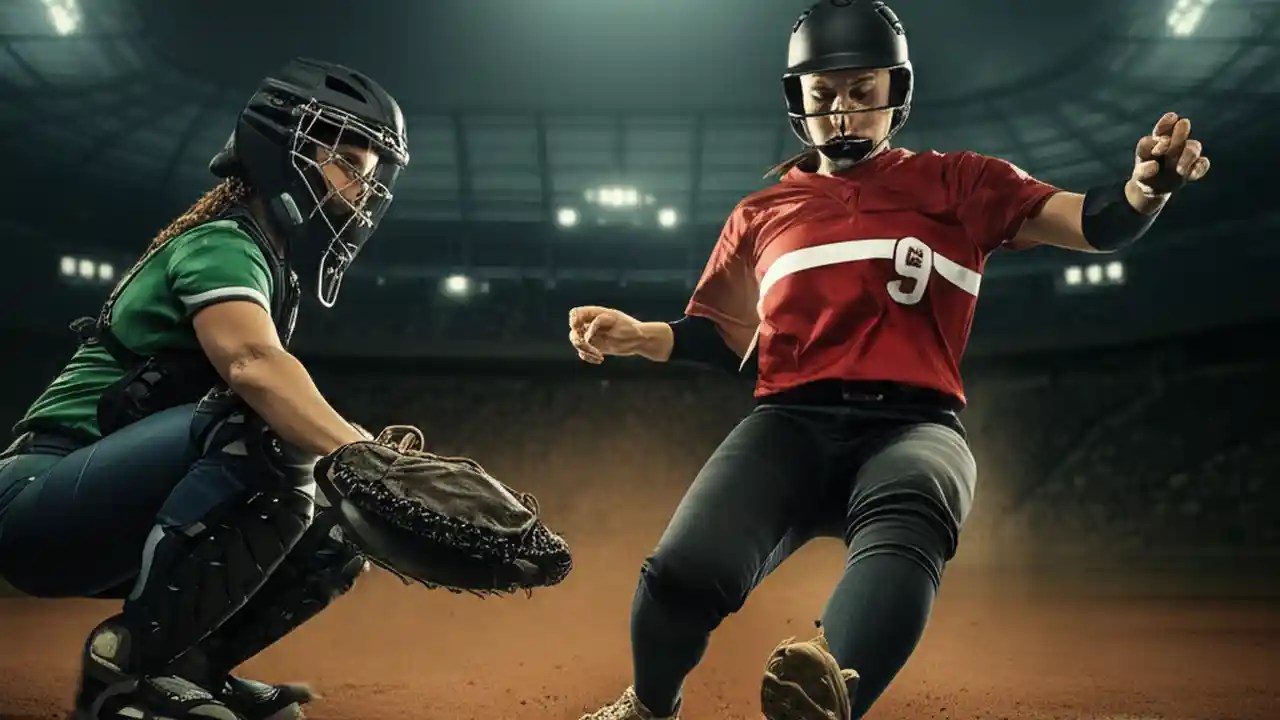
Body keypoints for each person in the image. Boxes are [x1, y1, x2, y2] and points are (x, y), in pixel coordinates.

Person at [567, 2, 1210, 719]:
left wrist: (1144, 189)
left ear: (896, 94)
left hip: (914, 424)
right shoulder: (759, 214)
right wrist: (641, 335)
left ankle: (828, 692)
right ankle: (650, 708)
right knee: (680, 576)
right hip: (789, 424)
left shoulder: (961, 184)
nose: (842, 110)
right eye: (823, 94)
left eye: (861, 91)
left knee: (911, 517)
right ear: (798, 103)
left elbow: (1094, 222)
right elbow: (721, 339)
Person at [0, 58, 415, 720]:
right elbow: (252, 364)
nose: (359, 190)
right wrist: (363, 454)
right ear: (284, 148)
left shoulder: (268, 264)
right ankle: (127, 673)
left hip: (112, 504)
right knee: (267, 426)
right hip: (35, 498)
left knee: (341, 531)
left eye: (367, 176)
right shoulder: (224, 242)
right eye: (346, 161)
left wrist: (358, 465)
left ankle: (189, 669)